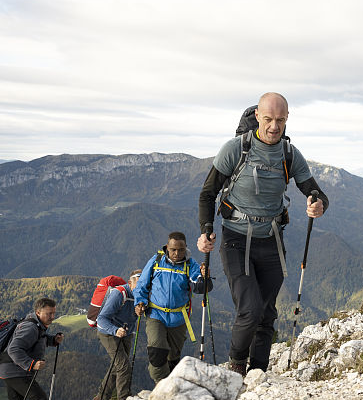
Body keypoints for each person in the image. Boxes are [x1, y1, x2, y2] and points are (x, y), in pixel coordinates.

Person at [197, 92, 329, 375]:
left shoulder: (290, 154)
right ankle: (236, 369)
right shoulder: (235, 149)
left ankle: (258, 374)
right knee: (251, 309)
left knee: (267, 314)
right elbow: (207, 194)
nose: (274, 126)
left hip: (271, 239)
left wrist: (317, 203)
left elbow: (316, 191)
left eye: (280, 120)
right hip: (235, 238)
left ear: (287, 119)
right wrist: (206, 230)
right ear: (257, 116)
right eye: (268, 119)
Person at [132, 232, 215, 382]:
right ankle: (163, 386)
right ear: (166, 248)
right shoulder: (156, 261)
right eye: (173, 250)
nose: (177, 253)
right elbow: (142, 285)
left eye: (181, 250)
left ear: (186, 248)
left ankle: (172, 386)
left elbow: (200, 288)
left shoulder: (191, 265)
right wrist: (139, 302)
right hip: (155, 314)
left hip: (178, 318)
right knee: (157, 352)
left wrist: (204, 277)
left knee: (173, 358)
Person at [0, 297, 63, 400]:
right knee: (39, 399)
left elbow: (37, 340)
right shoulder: (31, 327)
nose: (52, 317)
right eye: (49, 313)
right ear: (38, 313)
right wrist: (31, 364)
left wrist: (53, 340)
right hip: (15, 371)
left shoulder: (37, 325)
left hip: (8, 369)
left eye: (53, 313)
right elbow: (14, 349)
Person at [92, 270, 139, 400]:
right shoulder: (119, 294)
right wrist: (115, 330)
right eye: (138, 284)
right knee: (123, 366)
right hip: (108, 332)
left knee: (117, 365)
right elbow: (101, 318)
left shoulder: (142, 294)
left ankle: (102, 396)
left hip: (126, 333)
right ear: (130, 283)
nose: (141, 288)